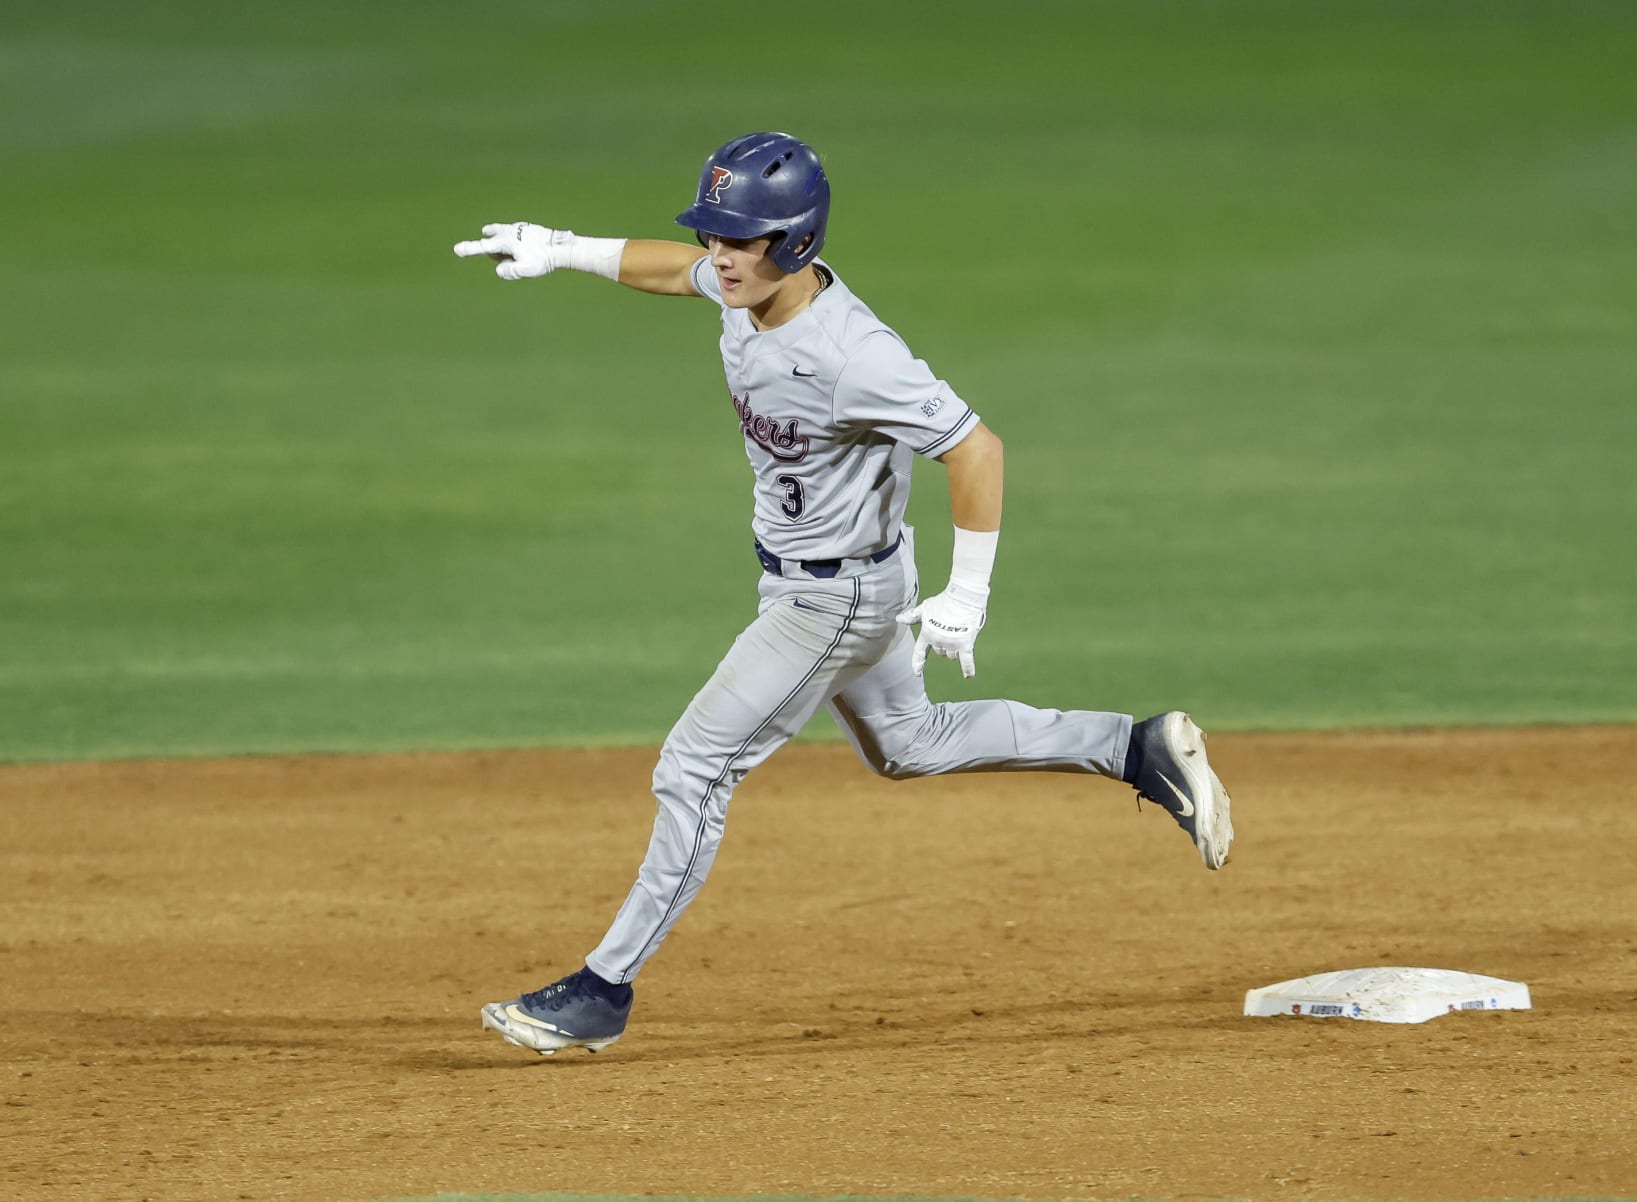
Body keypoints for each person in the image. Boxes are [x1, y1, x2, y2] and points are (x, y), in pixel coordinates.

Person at [451, 132, 1233, 1057]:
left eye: (741, 240)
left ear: (796, 242)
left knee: (694, 770)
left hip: (832, 604)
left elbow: (977, 449)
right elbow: (674, 273)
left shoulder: (852, 354)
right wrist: (564, 248)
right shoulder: (751, 290)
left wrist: (967, 594)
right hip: (829, 577)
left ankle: (603, 989)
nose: (720, 256)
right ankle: (1134, 747)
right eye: (716, 234)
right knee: (908, 744)